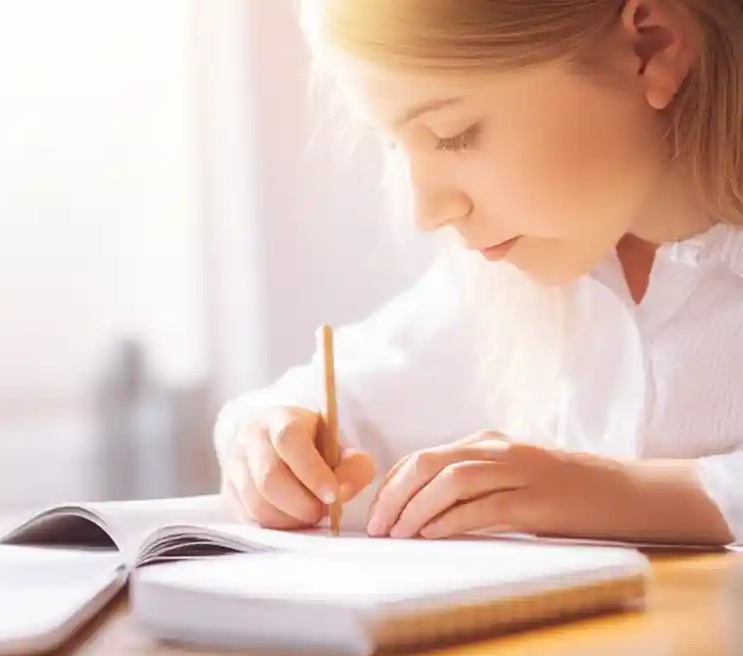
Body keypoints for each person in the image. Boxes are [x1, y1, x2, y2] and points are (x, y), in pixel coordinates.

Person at [216, 0, 743, 546]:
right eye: (396, 146)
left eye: (452, 133)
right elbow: (355, 387)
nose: (428, 212)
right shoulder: (519, 275)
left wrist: (619, 493)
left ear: (650, 49)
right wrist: (277, 439)